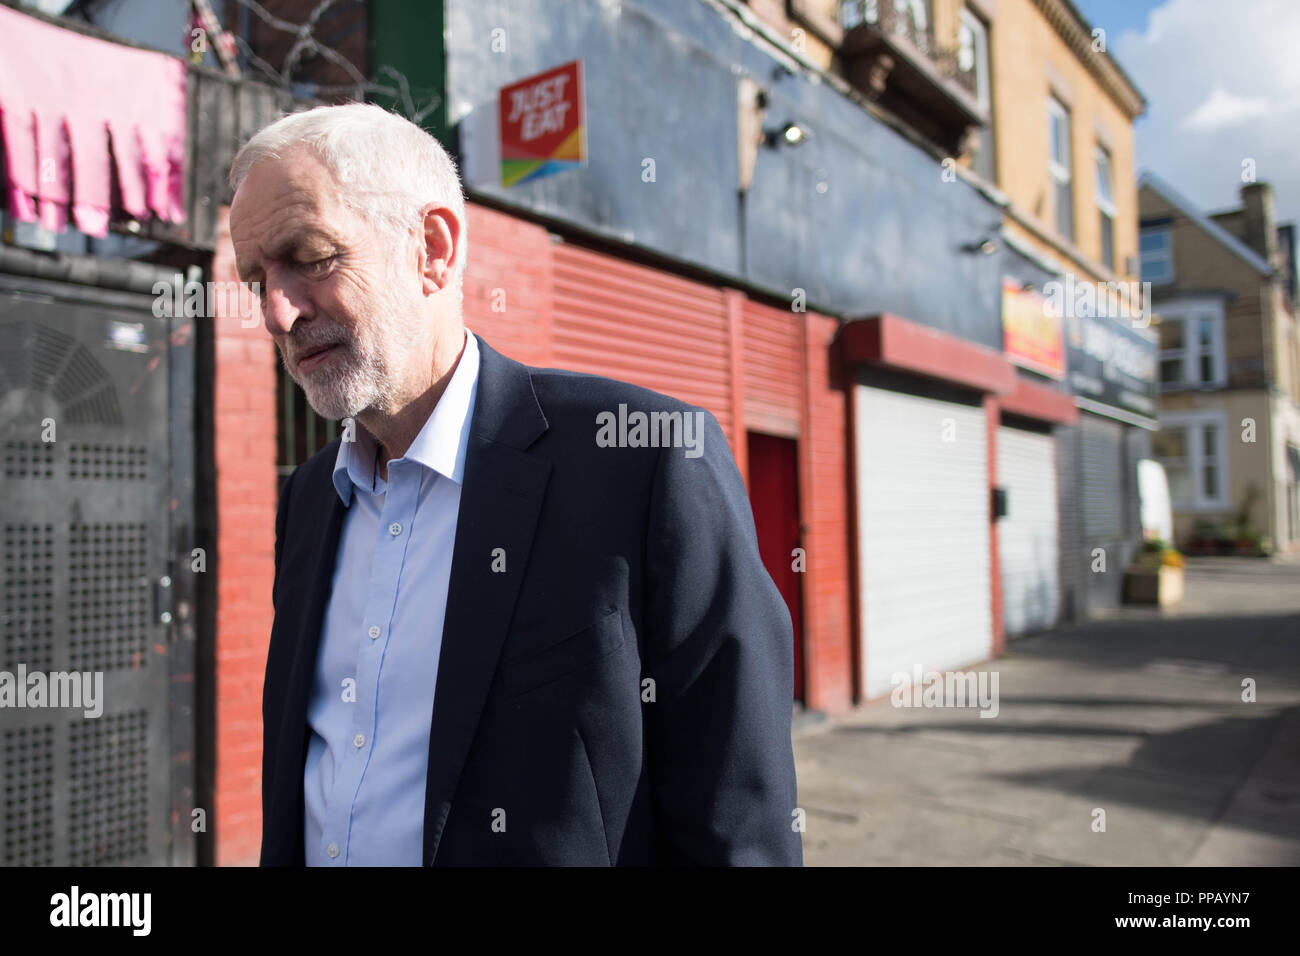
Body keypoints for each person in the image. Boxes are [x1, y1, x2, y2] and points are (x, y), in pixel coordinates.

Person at [230, 102, 801, 866]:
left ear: (432, 247)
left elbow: (741, 827)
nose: (277, 309)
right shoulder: (309, 500)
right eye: (255, 278)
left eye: (310, 255)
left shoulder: (646, 462)